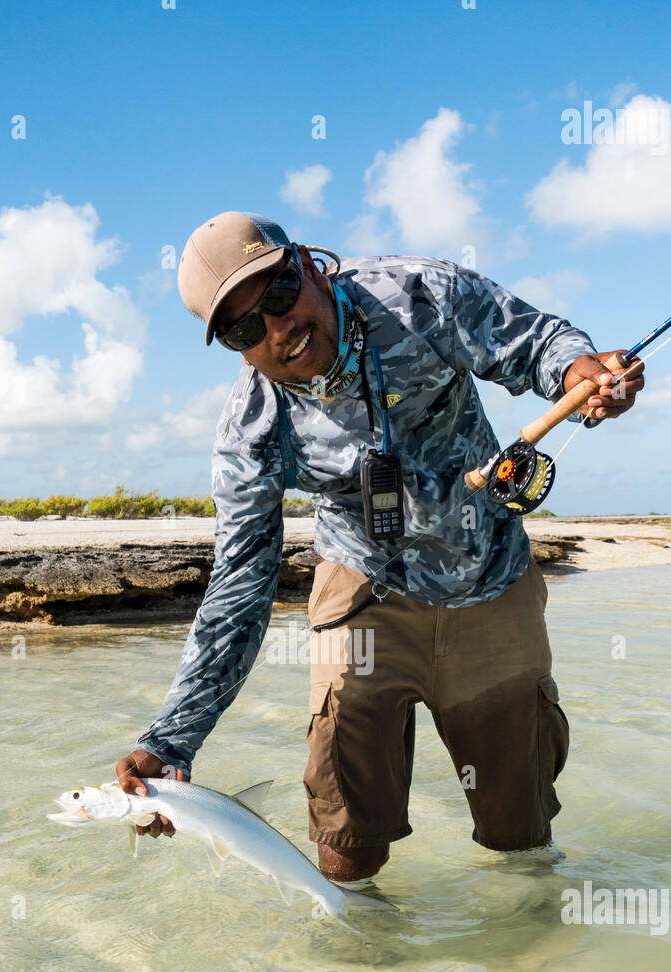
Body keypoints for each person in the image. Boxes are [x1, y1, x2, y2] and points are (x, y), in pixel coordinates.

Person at [116, 211, 644, 883]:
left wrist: (580, 373)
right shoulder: (251, 430)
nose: (279, 329)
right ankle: (359, 971)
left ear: (307, 262)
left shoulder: (419, 296)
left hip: (487, 576)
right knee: (344, 840)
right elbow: (240, 586)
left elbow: (535, 344)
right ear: (234, 346)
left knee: (520, 835)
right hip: (362, 585)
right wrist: (171, 741)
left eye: (278, 295)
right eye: (246, 328)